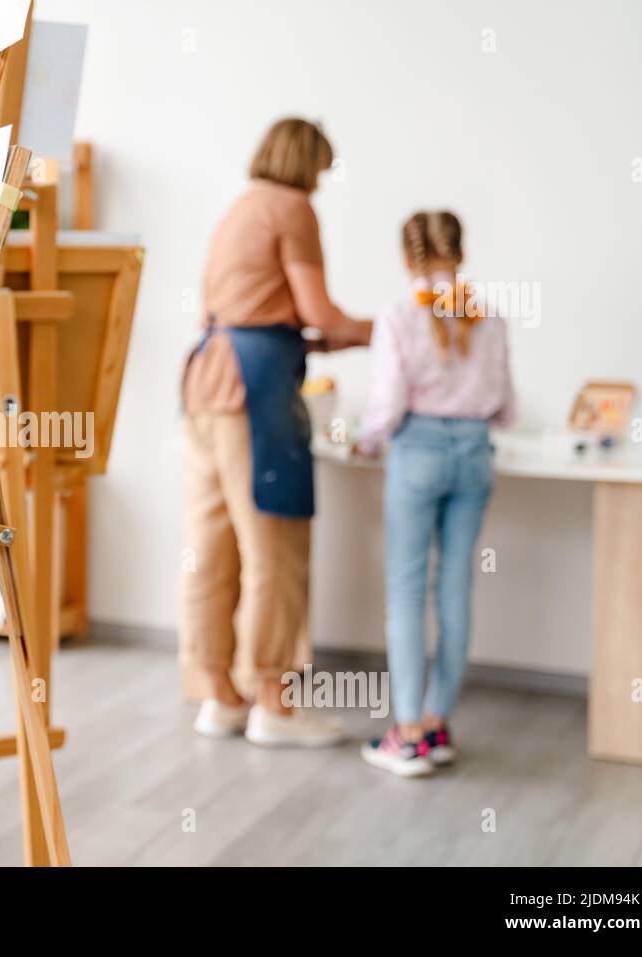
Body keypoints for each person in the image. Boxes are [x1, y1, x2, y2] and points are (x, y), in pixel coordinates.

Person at [178, 117, 371, 746]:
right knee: (276, 546)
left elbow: (259, 311)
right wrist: (385, 329)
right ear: (308, 163)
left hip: (206, 380)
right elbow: (320, 314)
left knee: (212, 545)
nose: (320, 182)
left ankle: (219, 696)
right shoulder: (292, 208)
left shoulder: (239, 209)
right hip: (256, 387)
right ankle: (275, 703)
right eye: (321, 167)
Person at [356, 211, 515, 777]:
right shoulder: (489, 314)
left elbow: (387, 403)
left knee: (405, 589)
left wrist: (368, 442)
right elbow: (505, 407)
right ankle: (438, 722)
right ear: (461, 254)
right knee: (455, 586)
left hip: (417, 451)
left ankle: (407, 733)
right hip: (475, 455)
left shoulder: (398, 317)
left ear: (407, 259)